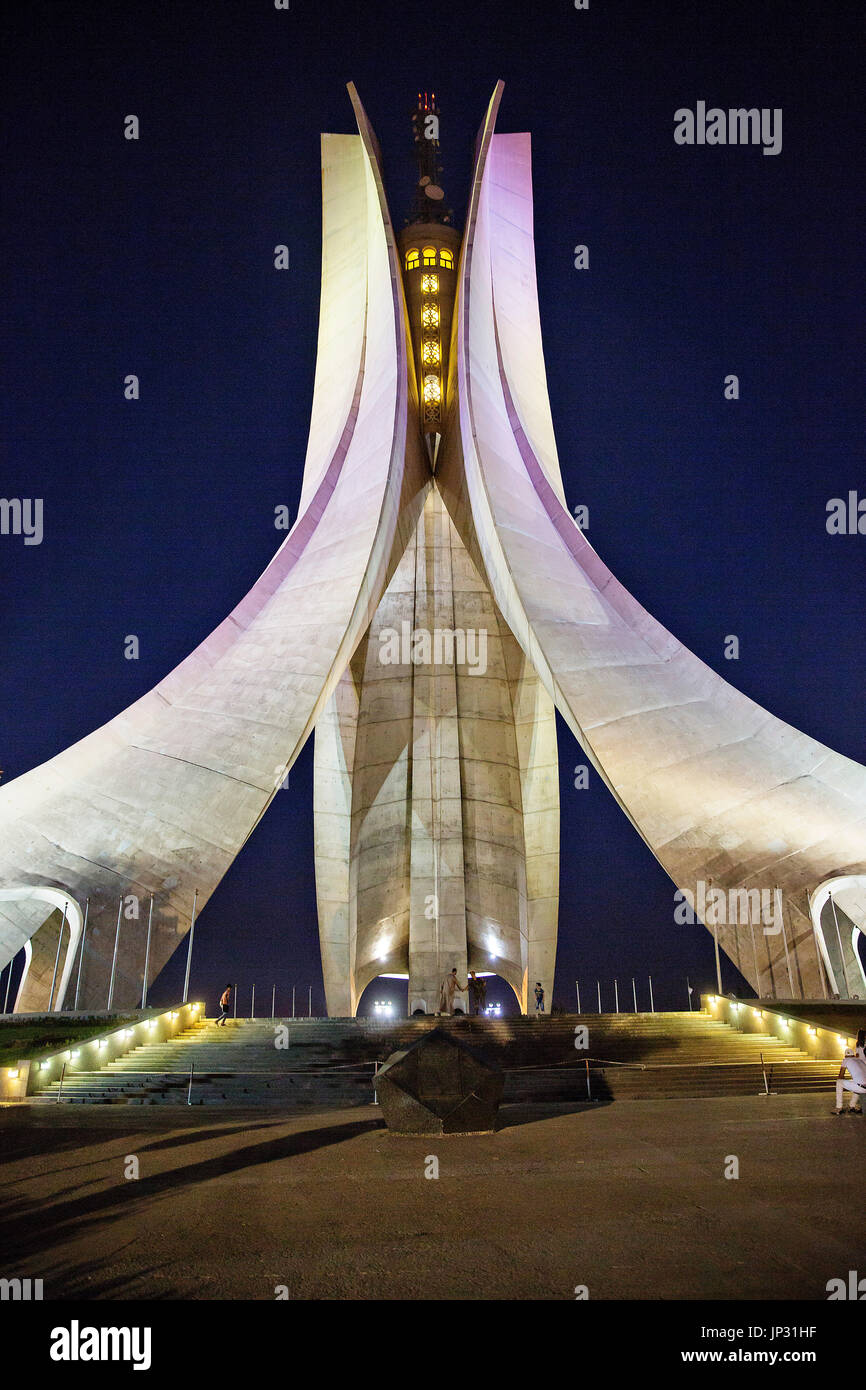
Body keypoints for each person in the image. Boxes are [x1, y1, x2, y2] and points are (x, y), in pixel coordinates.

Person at [833, 1028, 866, 1115]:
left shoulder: (846, 1060)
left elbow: (840, 1075)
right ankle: (852, 1105)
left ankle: (838, 1107)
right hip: (864, 1084)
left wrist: (842, 1080)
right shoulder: (859, 1060)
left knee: (839, 1082)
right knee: (857, 1083)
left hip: (861, 1087)